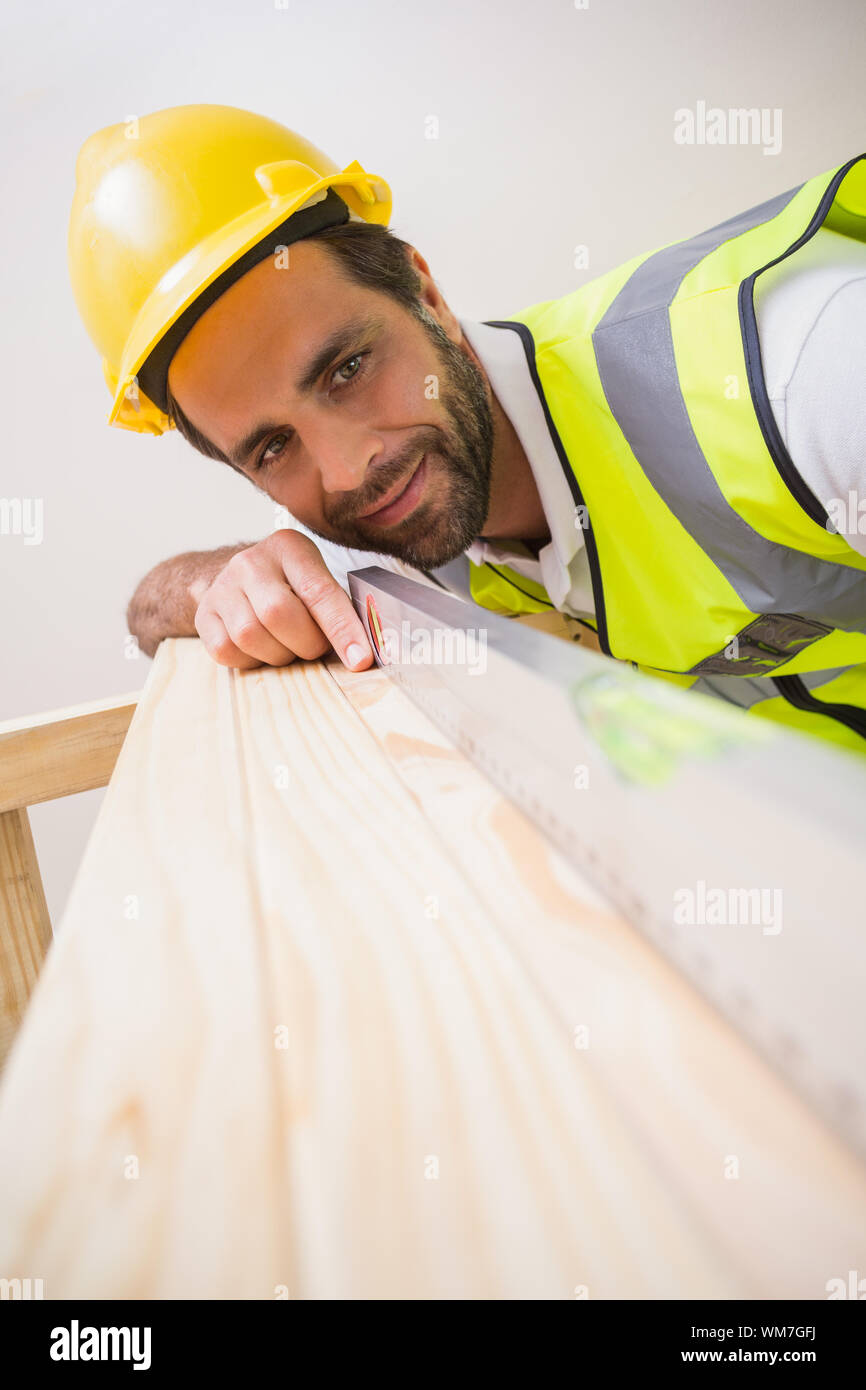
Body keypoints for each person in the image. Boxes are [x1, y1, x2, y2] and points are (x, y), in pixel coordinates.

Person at [68, 105, 866, 752]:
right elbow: (149, 609)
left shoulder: (802, 374)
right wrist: (224, 579)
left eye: (347, 369)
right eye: (273, 447)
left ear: (428, 296)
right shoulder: (372, 512)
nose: (349, 469)